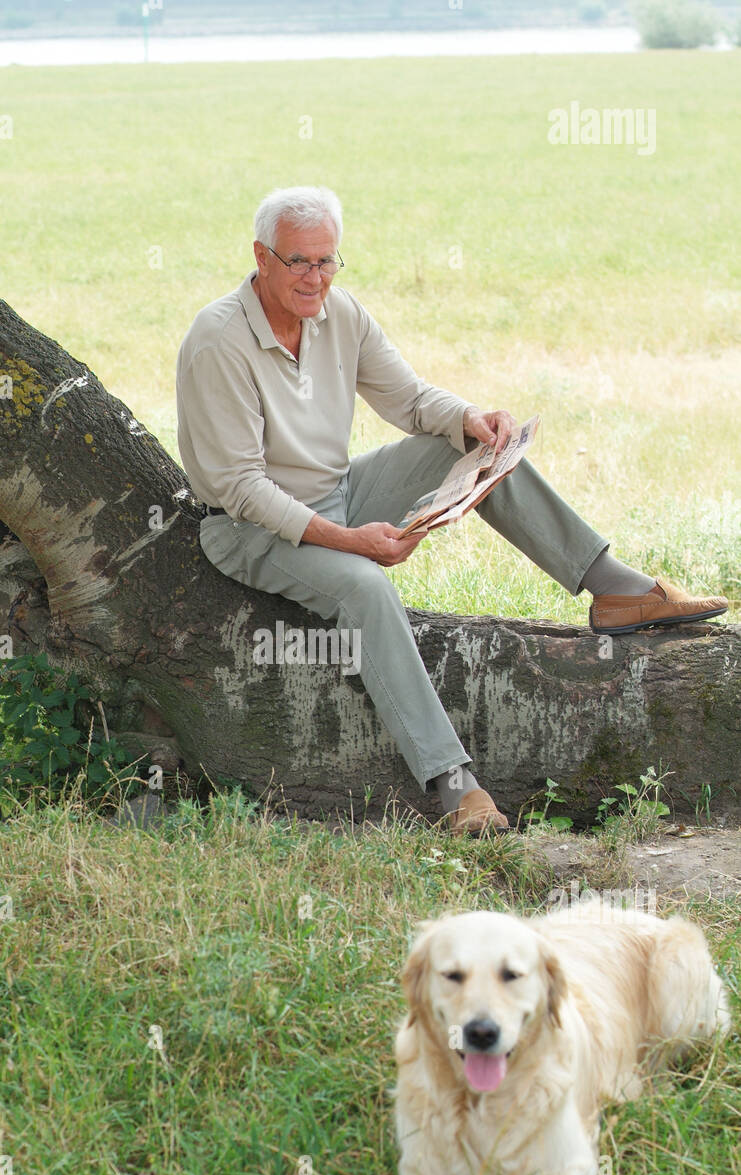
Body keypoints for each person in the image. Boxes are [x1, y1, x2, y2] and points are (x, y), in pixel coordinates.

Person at [175, 186, 728, 835]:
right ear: (261, 258)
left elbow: (407, 398)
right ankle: (452, 785)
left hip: (333, 492)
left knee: (473, 446)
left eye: (327, 262)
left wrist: (468, 417)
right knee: (365, 586)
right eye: (299, 262)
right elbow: (241, 487)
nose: (314, 278)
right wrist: (353, 541)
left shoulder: (338, 313)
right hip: (250, 530)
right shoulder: (219, 341)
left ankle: (616, 590)